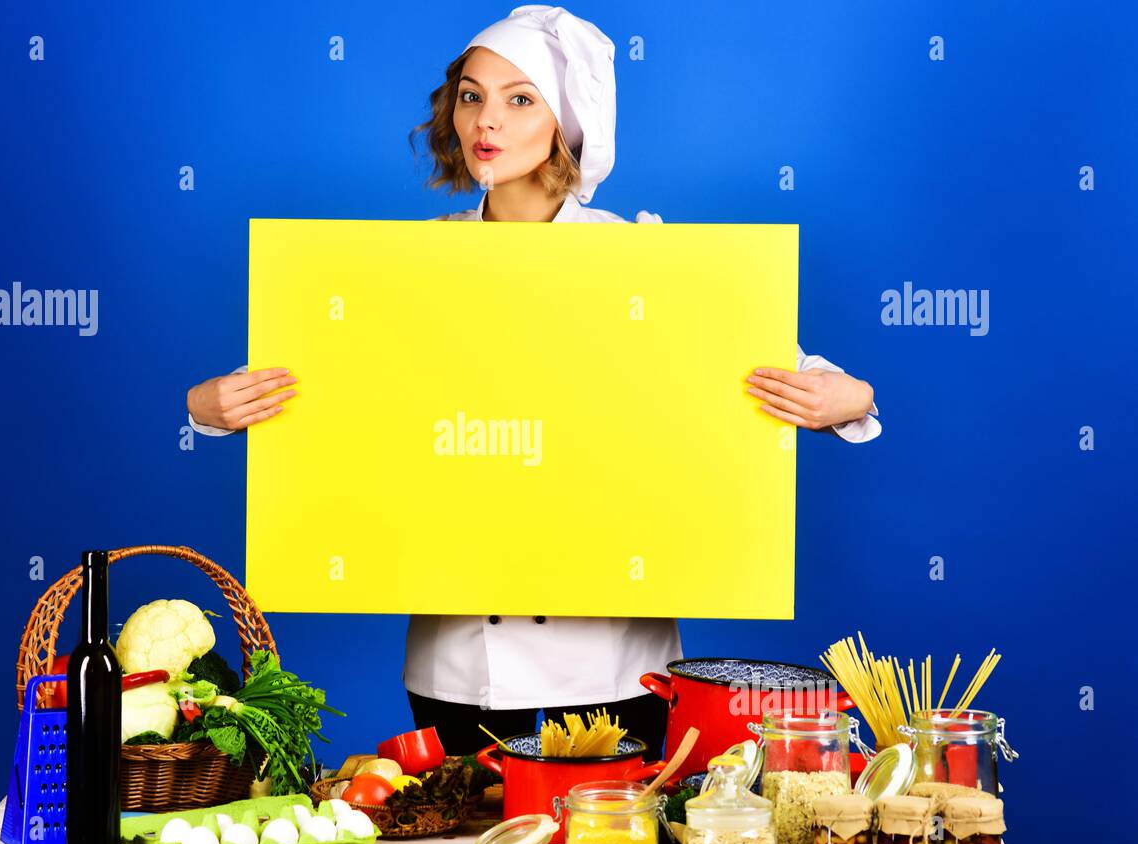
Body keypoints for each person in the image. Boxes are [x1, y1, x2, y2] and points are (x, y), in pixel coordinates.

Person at [186, 5, 881, 760]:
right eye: (472, 95)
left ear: (565, 122)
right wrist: (212, 406)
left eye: (521, 99)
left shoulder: (636, 257)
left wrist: (847, 398)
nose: (488, 120)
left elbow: (760, 362)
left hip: (610, 666)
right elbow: (330, 389)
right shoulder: (403, 266)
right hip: (455, 668)